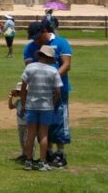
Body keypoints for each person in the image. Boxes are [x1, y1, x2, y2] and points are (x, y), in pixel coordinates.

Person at [24, 21, 75, 168]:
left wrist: (53, 79)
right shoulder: (30, 47)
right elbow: (29, 68)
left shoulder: (61, 43)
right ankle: (47, 152)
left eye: (38, 37)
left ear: (45, 31)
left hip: (59, 90)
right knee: (43, 124)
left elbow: (66, 64)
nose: (36, 41)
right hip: (38, 93)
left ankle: (60, 152)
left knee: (59, 119)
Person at [16, 43, 62, 170]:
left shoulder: (30, 67)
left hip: (31, 105)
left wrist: (24, 103)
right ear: (49, 58)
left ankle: (28, 160)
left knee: (30, 134)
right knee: (43, 135)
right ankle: (42, 161)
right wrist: (52, 102)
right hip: (46, 106)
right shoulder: (53, 71)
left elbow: (24, 88)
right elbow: (58, 91)